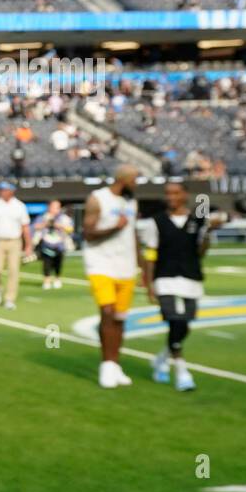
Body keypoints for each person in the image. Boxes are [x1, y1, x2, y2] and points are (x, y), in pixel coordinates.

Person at [139, 182, 210, 392]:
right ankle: (182, 371)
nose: (171, 197)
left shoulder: (198, 220)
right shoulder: (156, 222)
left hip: (191, 276)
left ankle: (161, 358)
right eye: (168, 193)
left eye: (176, 193)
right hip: (165, 277)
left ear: (185, 195)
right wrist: (149, 284)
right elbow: (151, 255)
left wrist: (207, 234)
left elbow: (201, 252)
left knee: (185, 324)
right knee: (174, 321)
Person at [82, 164, 141, 389]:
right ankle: (106, 365)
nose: (136, 184)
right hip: (101, 264)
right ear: (123, 179)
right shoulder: (98, 199)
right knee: (107, 312)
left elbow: (133, 234)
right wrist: (115, 228)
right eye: (134, 179)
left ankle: (116, 365)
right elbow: (88, 234)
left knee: (119, 318)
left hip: (126, 266)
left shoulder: (131, 202)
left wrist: (142, 267)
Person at [0, 181, 31, 309]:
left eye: (4, 189)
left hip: (14, 241)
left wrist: (28, 245)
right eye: (0, 189)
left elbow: (25, 227)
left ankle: (10, 298)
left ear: (11, 191)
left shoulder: (20, 206)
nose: (1, 191)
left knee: (13, 271)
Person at [31, 199, 74, 290]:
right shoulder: (43, 217)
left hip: (59, 244)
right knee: (47, 262)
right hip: (46, 244)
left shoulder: (64, 218)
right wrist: (46, 224)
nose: (56, 209)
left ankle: (57, 278)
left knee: (58, 263)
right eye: (54, 207)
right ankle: (47, 280)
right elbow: (34, 226)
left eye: (58, 207)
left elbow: (70, 229)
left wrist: (59, 226)